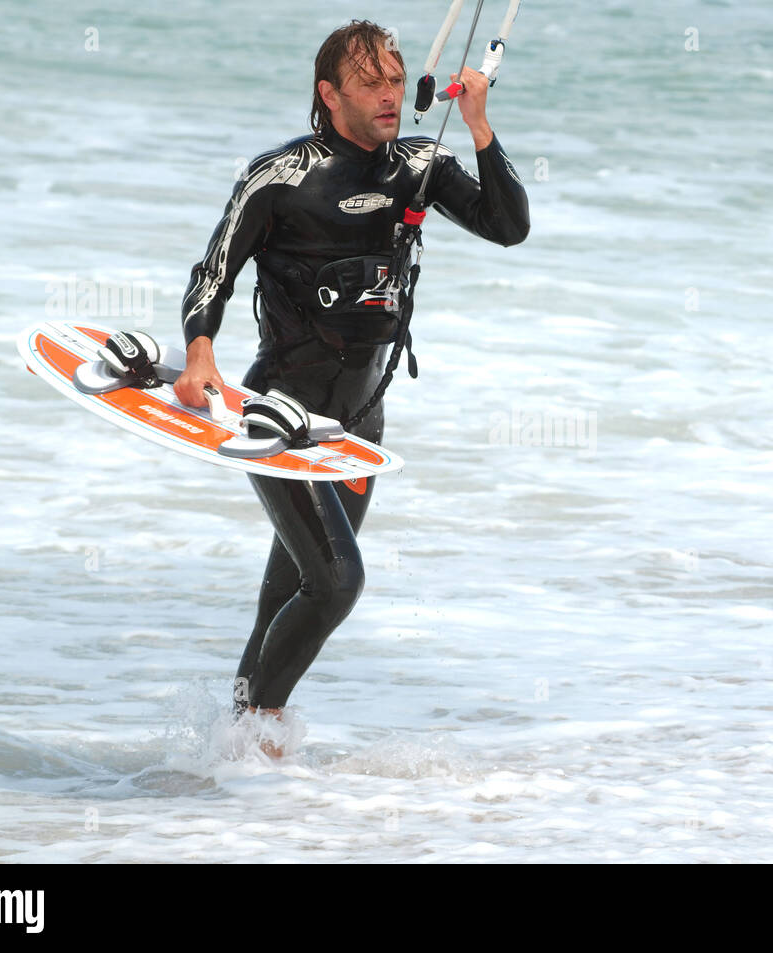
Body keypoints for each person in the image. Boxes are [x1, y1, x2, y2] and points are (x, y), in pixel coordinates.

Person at [172, 19, 529, 749]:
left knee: (294, 587)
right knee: (337, 581)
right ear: (330, 94)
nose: (389, 95)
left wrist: (479, 126)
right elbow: (214, 271)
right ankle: (258, 735)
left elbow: (508, 225)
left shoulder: (420, 165)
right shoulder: (281, 178)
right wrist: (200, 353)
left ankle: (229, 755)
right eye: (370, 84)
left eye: (395, 80)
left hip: (359, 423)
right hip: (279, 413)